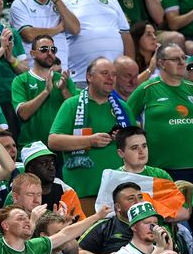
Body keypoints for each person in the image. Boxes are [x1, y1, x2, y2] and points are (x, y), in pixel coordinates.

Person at [48, 58, 133, 210]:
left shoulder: (123, 108)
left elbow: (136, 141)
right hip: (82, 193)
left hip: (119, 193)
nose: (110, 78)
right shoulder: (71, 104)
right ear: (89, 77)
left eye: (113, 74)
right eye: (105, 73)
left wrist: (122, 138)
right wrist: (90, 141)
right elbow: (53, 141)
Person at [126, 43, 193, 183]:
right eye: (176, 59)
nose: (182, 62)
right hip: (161, 171)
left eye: (183, 57)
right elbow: (125, 120)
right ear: (161, 63)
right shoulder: (146, 89)